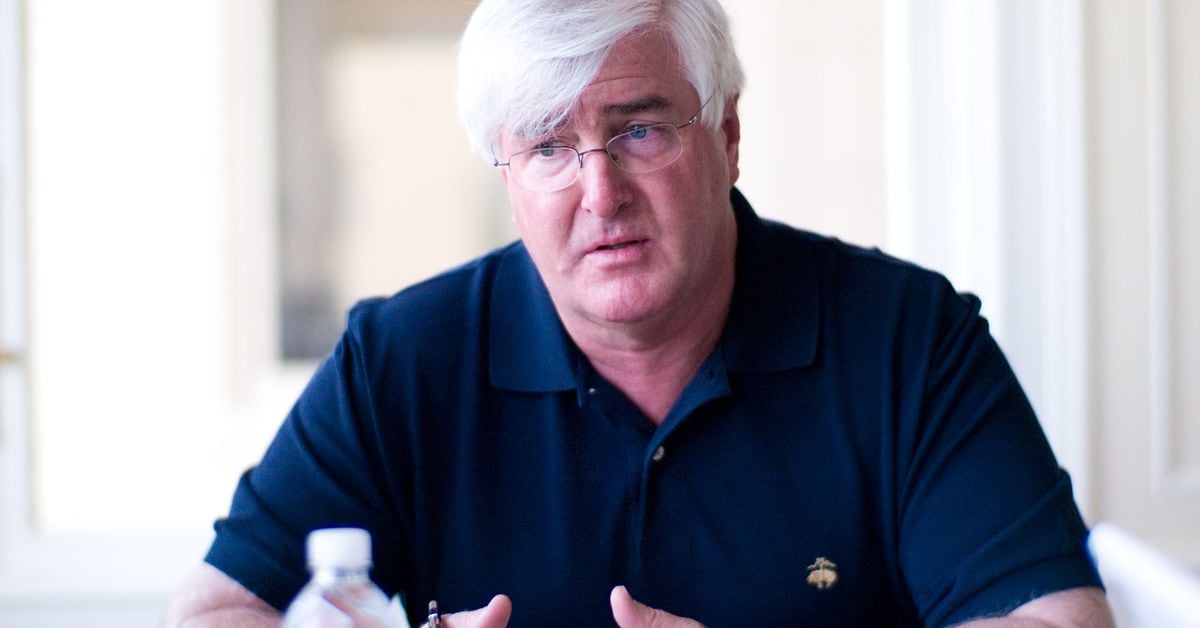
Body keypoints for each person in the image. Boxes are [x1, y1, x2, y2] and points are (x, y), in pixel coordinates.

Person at [165, 0, 1114, 625]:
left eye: (641, 130)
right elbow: (217, 611)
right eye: (548, 148)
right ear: (506, 176)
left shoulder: (911, 339)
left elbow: (1053, 617)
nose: (601, 194)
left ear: (727, 135)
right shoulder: (402, 360)